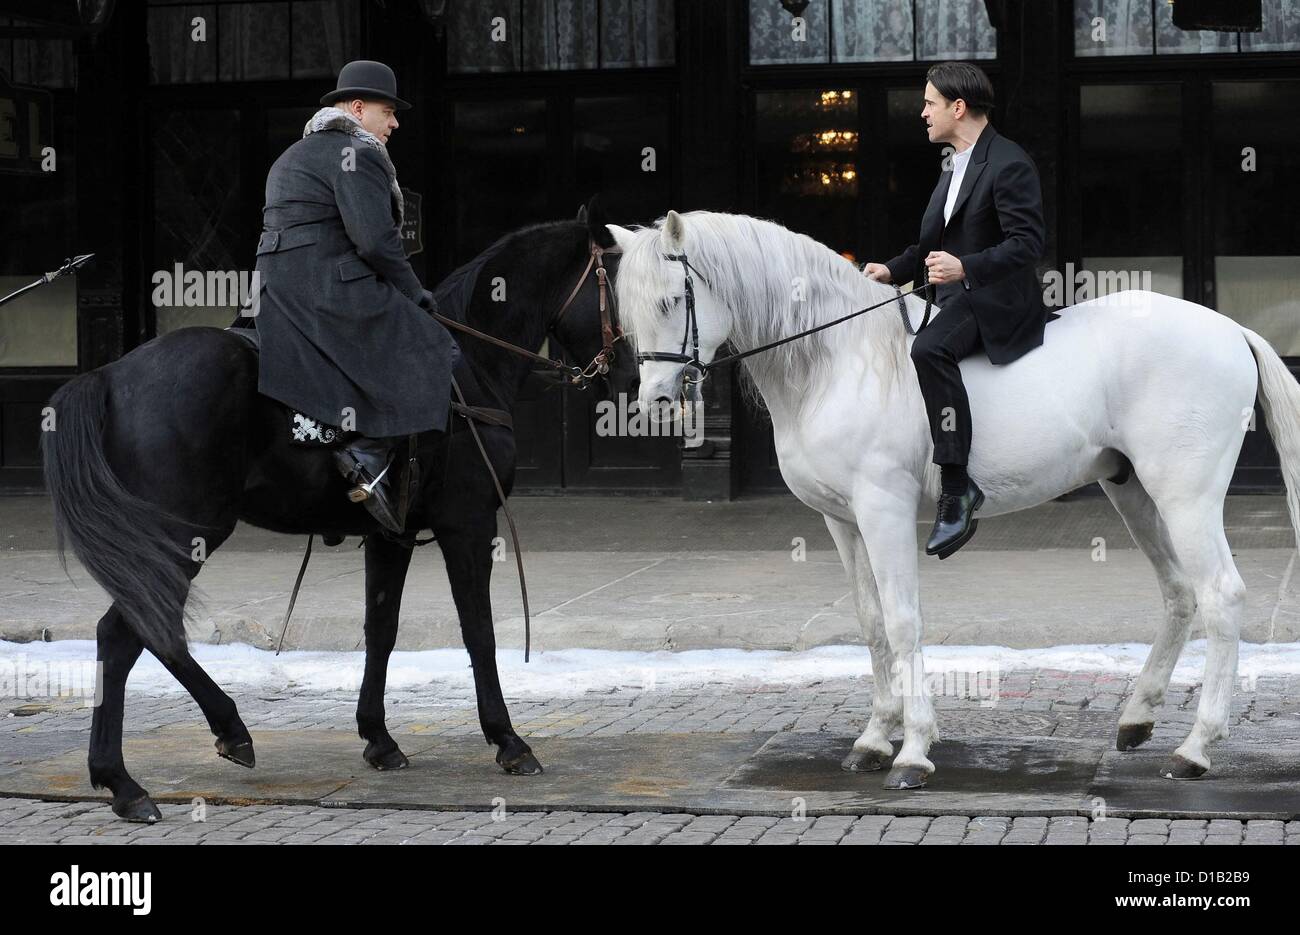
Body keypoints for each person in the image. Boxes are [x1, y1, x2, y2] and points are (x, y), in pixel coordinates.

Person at [251, 60, 458, 533]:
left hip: (274, 287)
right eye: (388, 112)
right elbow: (374, 243)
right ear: (359, 108)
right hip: (325, 283)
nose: (395, 123)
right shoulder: (355, 153)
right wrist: (415, 295)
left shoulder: (292, 153)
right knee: (429, 340)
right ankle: (370, 453)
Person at [864, 61, 1049, 559]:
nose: (922, 113)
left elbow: (1028, 244)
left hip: (997, 300)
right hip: (956, 295)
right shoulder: (955, 165)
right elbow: (931, 245)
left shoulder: (1009, 161)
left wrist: (965, 267)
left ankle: (955, 488)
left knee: (928, 349)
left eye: (929, 103)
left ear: (958, 107)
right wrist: (892, 269)